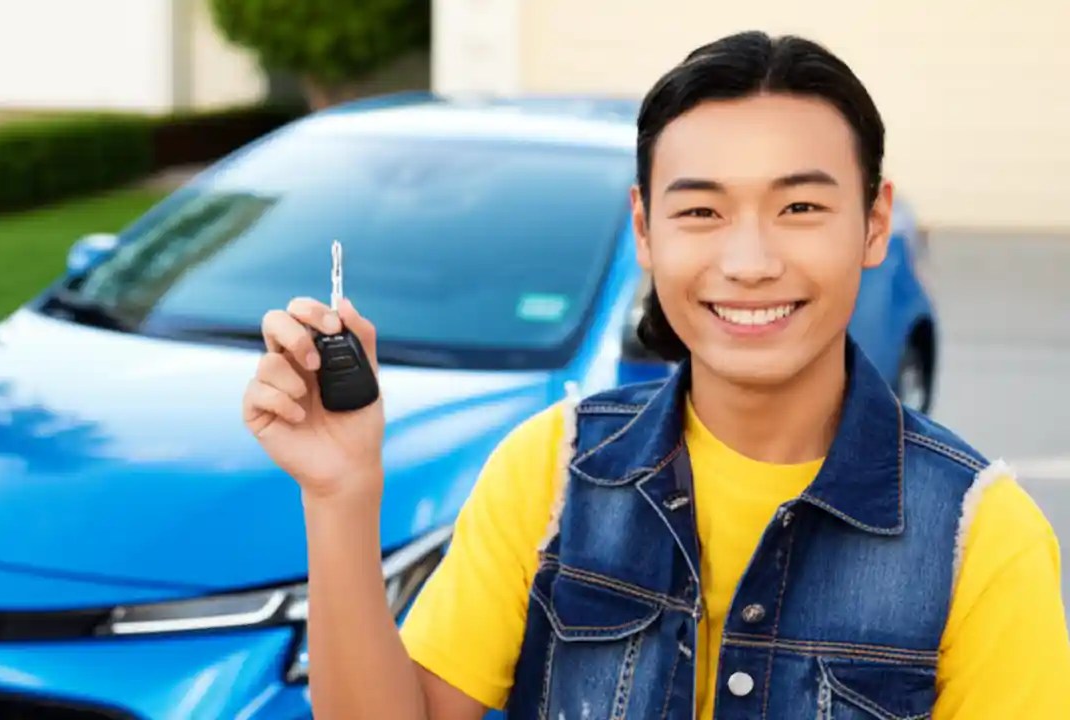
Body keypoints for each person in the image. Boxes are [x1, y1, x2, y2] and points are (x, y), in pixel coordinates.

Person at [243, 30, 1070, 720]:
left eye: (801, 208)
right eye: (701, 211)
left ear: (874, 222)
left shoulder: (982, 536)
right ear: (645, 229)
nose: (748, 262)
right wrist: (340, 493)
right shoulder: (550, 472)